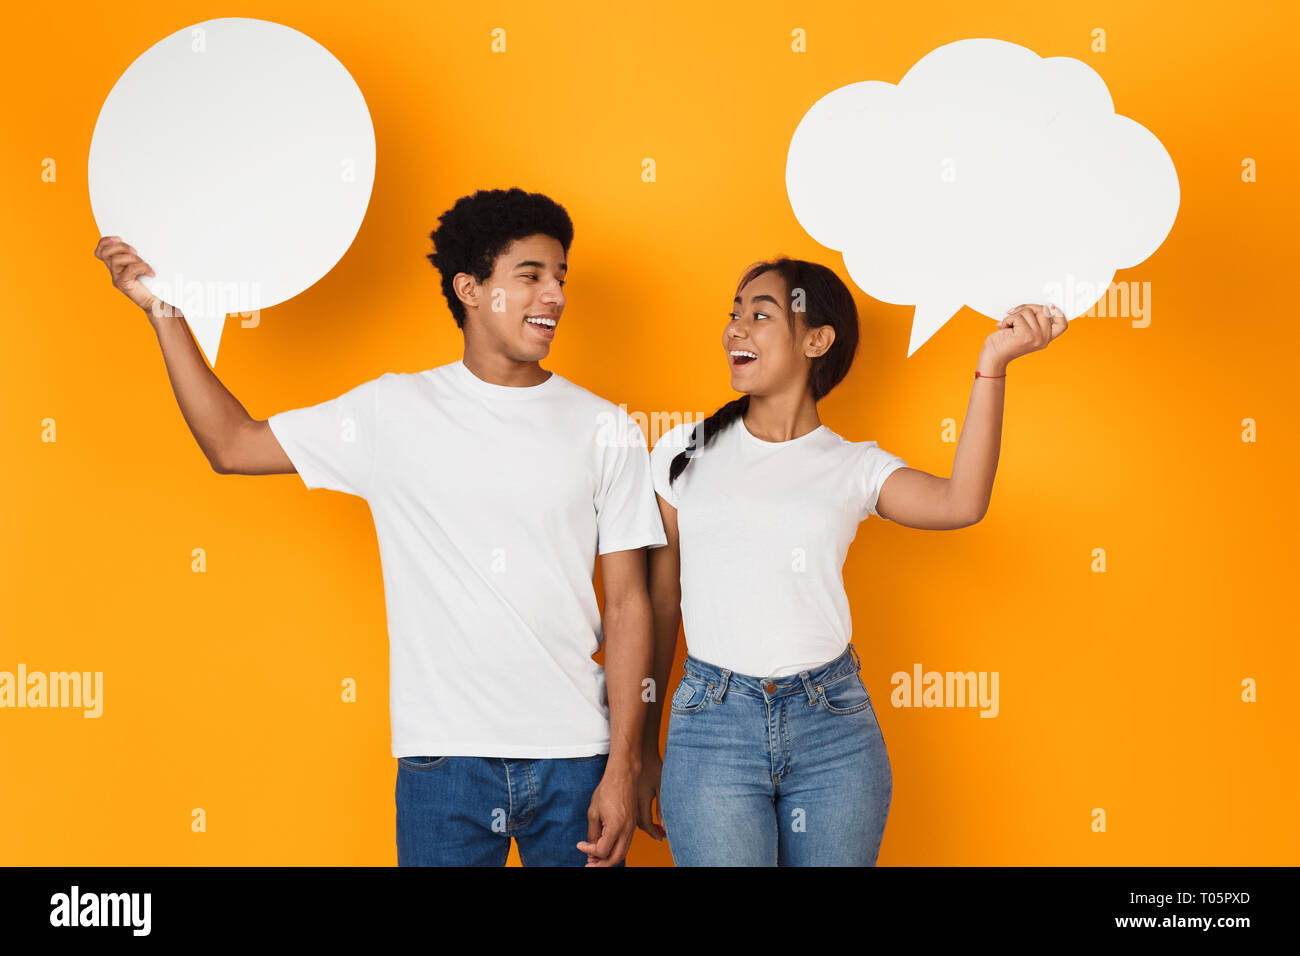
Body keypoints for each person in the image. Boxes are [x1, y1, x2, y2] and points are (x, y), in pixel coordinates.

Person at [94, 187, 665, 867]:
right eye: (531, 275)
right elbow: (232, 444)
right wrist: (164, 313)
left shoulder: (605, 427)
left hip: (576, 757)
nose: (556, 296)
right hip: (442, 763)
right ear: (470, 289)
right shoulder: (392, 412)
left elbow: (629, 604)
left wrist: (625, 767)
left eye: (561, 277)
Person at [638, 257, 1066, 865]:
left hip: (832, 726)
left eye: (760, 315)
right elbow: (661, 607)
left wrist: (992, 363)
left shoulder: (854, 465)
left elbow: (961, 502)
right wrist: (641, 748)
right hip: (712, 727)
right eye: (734, 315)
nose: (736, 329)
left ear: (816, 340)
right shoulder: (682, 451)